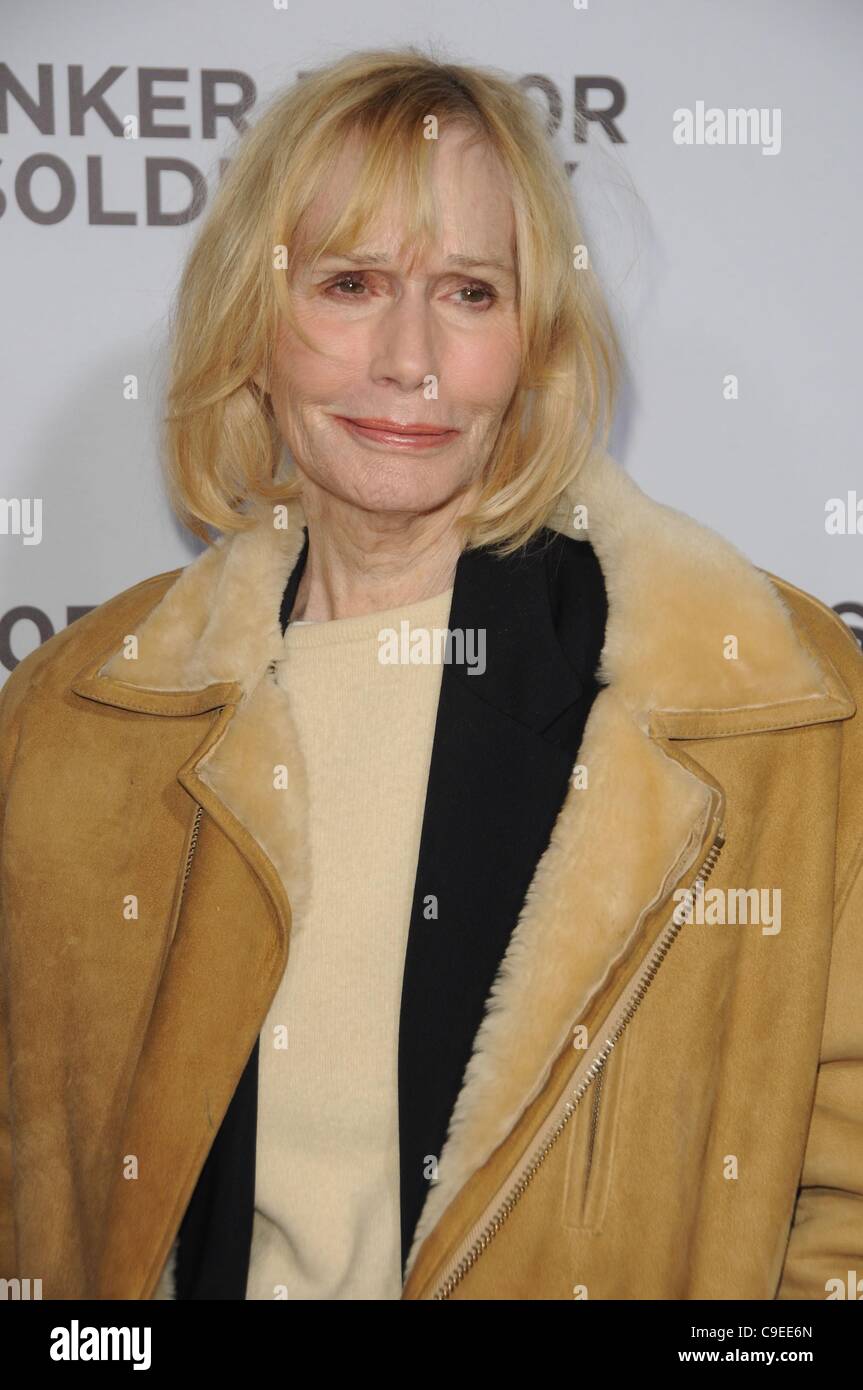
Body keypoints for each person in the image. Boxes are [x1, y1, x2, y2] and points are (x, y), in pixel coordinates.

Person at [1, 46, 861, 1303]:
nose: (411, 358)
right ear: (254, 324)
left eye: (468, 292)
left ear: (531, 341)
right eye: (348, 283)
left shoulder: (765, 708)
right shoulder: (79, 713)